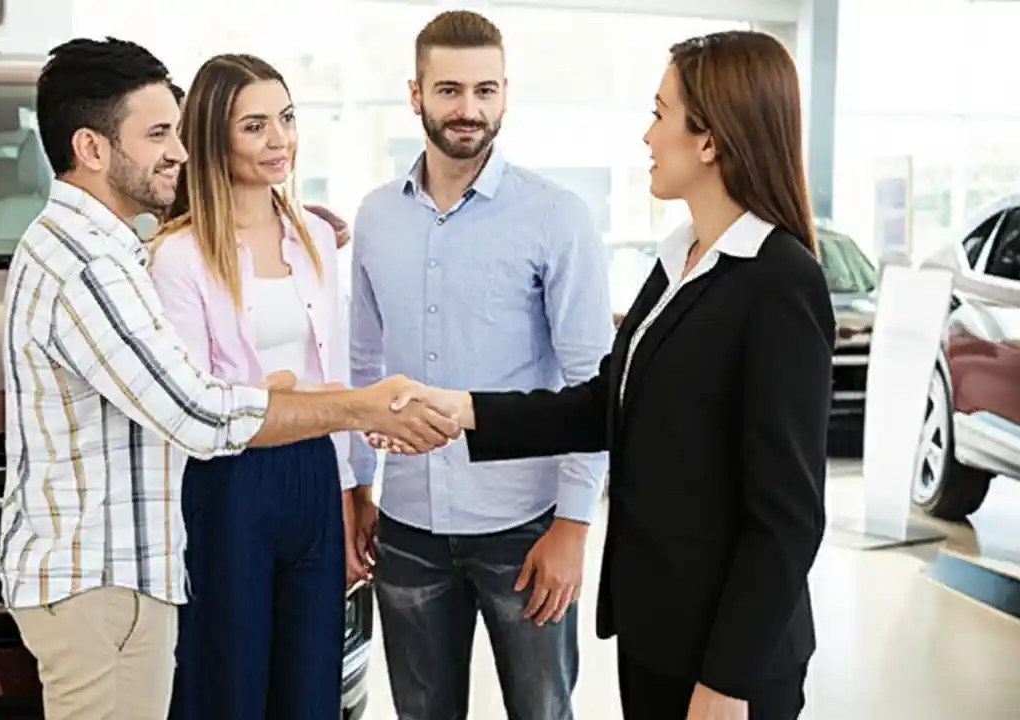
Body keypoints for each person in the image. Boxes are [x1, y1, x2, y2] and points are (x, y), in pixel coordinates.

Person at [379, 29, 835, 720]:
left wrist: (728, 681)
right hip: (658, 631)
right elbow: (607, 405)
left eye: (660, 113)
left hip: (725, 657)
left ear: (708, 140)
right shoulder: (678, 258)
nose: (647, 136)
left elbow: (788, 520)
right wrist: (460, 408)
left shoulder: (779, 283)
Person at [0, 38, 457, 720]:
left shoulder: (115, 250)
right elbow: (198, 412)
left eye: (177, 134)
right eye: (159, 134)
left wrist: (339, 453)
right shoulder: (104, 264)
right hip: (122, 561)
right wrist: (361, 407)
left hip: (141, 562)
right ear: (92, 148)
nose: (178, 153)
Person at [349, 10, 612, 719]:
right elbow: (362, 365)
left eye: (486, 91)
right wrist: (356, 491)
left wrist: (574, 527)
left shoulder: (556, 216)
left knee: (542, 710)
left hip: (524, 524)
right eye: (451, 90)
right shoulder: (376, 216)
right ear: (416, 94)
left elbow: (596, 385)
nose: (470, 110)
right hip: (406, 524)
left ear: (505, 93)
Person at [146, 53, 361, 720]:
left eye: (288, 119)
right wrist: (277, 393)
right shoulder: (177, 255)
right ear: (214, 137)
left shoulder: (318, 237)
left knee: (311, 685)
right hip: (228, 483)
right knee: (228, 683)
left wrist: (351, 491)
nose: (280, 140)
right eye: (256, 126)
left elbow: (336, 375)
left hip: (314, 475)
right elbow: (194, 397)